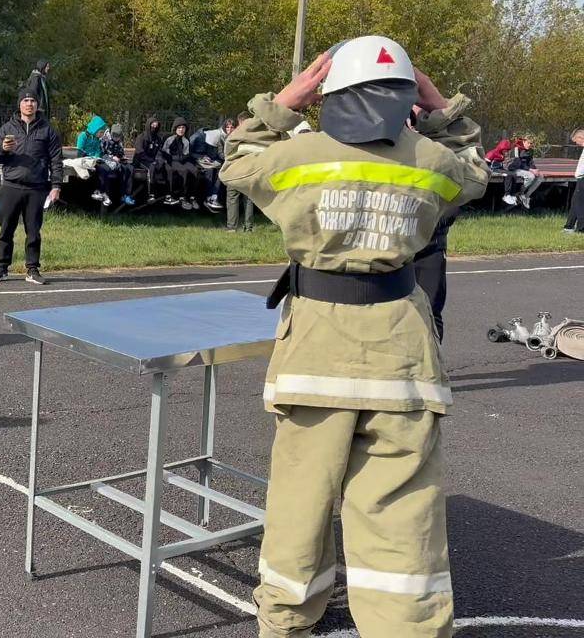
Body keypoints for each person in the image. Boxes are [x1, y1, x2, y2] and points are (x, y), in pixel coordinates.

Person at [221, 36, 489, 637]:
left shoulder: (297, 156)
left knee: (300, 505)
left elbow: (237, 160)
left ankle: (286, 622)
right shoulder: (431, 161)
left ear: (331, 93)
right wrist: (443, 112)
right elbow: (475, 171)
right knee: (402, 514)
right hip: (402, 356)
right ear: (405, 96)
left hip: (315, 352)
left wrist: (280, 106)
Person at [0, 87, 63, 284]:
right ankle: (1, 268)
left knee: (33, 231)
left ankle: (32, 269)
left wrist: (56, 186)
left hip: (36, 188)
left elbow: (56, 160)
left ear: (37, 105)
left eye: (33, 101)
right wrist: (3, 150)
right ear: (19, 104)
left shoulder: (48, 130)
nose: (29, 104)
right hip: (11, 185)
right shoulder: (7, 128)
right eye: (25, 100)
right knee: (6, 229)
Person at [224, 111, 255, 231]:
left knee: (232, 197)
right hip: (249, 169)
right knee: (248, 199)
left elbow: (227, 153)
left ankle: (232, 227)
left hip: (234, 168)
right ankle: (248, 227)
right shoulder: (255, 135)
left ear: (239, 121)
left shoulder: (234, 135)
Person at [162, 117, 199, 210]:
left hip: (182, 160)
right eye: (179, 128)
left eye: (183, 128)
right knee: (184, 171)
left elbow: (187, 155)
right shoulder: (169, 138)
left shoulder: (186, 140)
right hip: (171, 160)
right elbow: (164, 152)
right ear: (175, 128)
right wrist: (176, 158)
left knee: (195, 170)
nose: (181, 130)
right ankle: (182, 197)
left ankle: (192, 197)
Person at [98, 123, 135, 206]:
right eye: (115, 136)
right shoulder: (105, 139)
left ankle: (127, 194)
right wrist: (112, 157)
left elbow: (121, 152)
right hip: (108, 161)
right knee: (122, 169)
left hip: (118, 160)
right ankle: (122, 194)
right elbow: (102, 153)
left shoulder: (119, 141)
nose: (117, 138)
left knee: (130, 168)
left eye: (118, 136)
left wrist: (123, 157)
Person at [133, 115, 168, 205]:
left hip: (153, 161)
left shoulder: (158, 138)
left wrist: (159, 160)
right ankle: (151, 194)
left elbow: (160, 151)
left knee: (165, 166)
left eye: (156, 126)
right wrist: (151, 160)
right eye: (152, 125)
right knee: (151, 167)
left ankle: (167, 195)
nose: (154, 128)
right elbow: (140, 152)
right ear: (148, 125)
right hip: (141, 161)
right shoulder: (141, 137)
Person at [564, 128, 584, 233]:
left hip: (583, 178)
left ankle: (581, 228)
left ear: (581, 137)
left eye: (576, 140)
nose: (576, 143)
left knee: (579, 203)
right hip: (580, 178)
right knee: (575, 201)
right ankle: (569, 226)